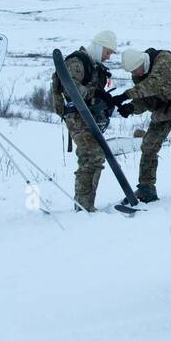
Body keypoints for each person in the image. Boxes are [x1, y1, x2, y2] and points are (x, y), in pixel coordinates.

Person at [116, 48, 171, 202]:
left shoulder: (164, 60)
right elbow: (147, 99)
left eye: (135, 70)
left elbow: (153, 85)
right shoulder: (139, 75)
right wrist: (131, 107)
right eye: (132, 72)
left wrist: (125, 95)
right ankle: (146, 188)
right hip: (165, 105)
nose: (135, 74)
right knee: (149, 145)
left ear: (141, 62)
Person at [51, 30, 118, 211]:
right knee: (92, 156)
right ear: (100, 46)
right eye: (108, 52)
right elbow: (69, 86)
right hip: (76, 116)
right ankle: (83, 206)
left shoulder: (93, 65)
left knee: (92, 157)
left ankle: (85, 204)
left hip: (87, 116)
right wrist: (93, 93)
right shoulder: (78, 62)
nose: (108, 57)